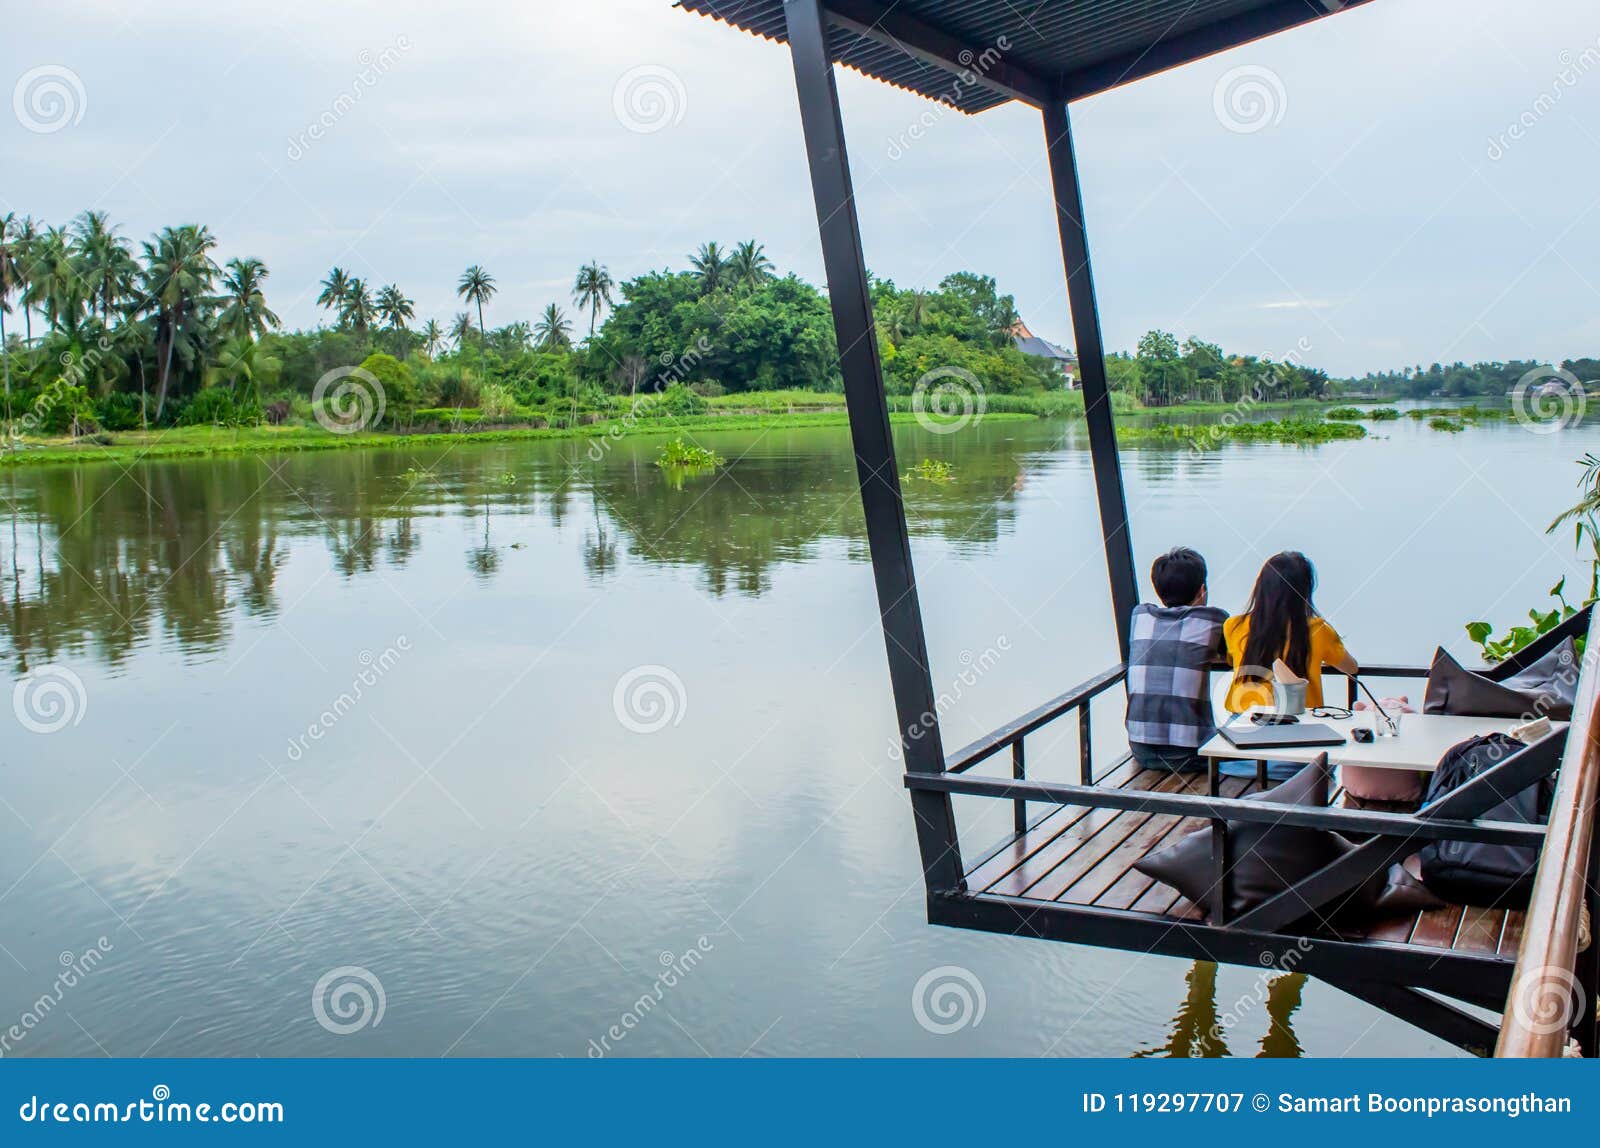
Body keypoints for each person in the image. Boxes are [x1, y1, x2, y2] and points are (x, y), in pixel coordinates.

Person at [1221, 552, 1358, 780]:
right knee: (1327, 768)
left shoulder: (1233, 626)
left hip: (1239, 752)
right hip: (1296, 753)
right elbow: (1351, 667)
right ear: (1304, 591)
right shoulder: (1318, 630)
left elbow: (1231, 658)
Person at [1125, 547, 1229, 774]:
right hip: (1190, 756)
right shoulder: (1213, 619)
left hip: (1140, 750)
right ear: (1202, 590)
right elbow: (1231, 654)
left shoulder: (1140, 615)